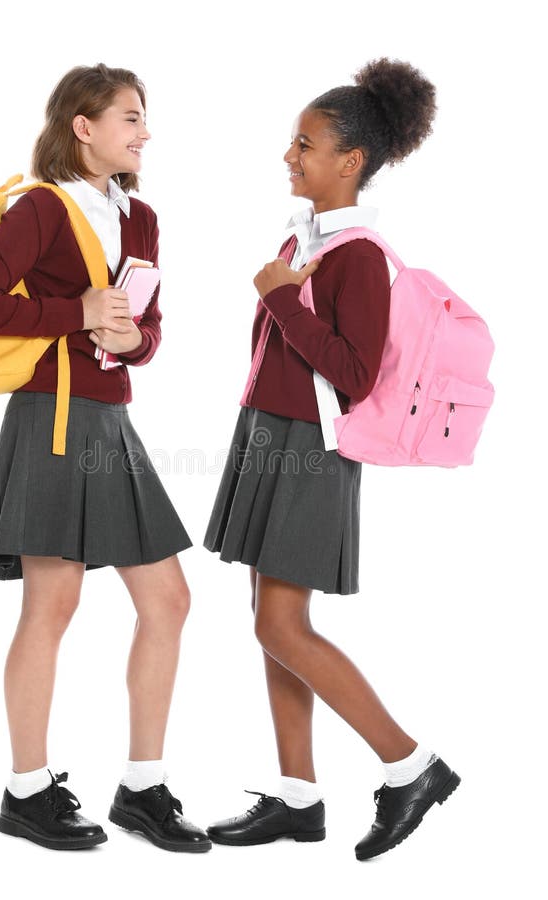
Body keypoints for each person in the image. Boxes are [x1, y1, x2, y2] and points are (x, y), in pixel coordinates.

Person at [0, 64, 210, 853]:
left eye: (144, 118)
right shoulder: (41, 208)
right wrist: (77, 312)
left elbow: (149, 323)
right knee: (51, 608)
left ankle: (141, 787)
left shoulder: (142, 216)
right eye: (129, 118)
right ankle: (26, 791)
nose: (144, 132)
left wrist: (138, 340)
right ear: (82, 127)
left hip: (110, 420)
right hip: (52, 419)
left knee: (167, 601)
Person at [203, 58, 460, 861]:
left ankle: (411, 765)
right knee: (271, 624)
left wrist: (279, 293)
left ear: (349, 162)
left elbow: (352, 373)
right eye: (292, 141)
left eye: (305, 144)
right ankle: (297, 797)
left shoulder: (357, 254)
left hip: (308, 449)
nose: (291, 155)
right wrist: (280, 291)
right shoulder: (307, 237)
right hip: (269, 433)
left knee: (281, 622)